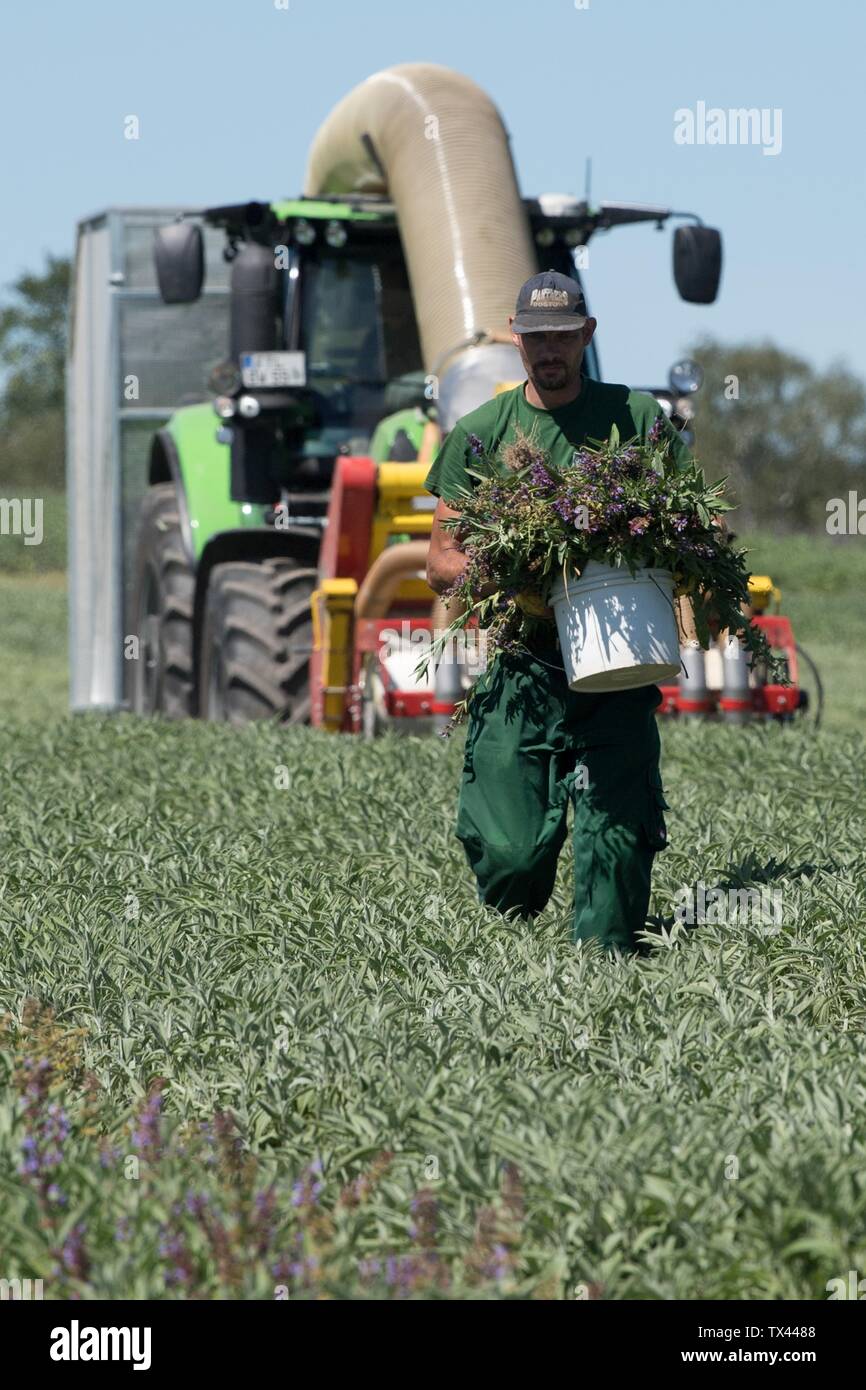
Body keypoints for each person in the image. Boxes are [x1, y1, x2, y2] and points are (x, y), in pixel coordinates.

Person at [424, 269, 691, 953]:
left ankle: (604, 987)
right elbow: (441, 563)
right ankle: (518, 913)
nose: (550, 350)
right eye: (537, 337)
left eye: (563, 336)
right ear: (517, 337)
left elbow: (691, 527)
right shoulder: (483, 433)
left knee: (616, 845)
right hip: (527, 665)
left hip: (619, 662)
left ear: (587, 335)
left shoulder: (634, 418)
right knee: (510, 859)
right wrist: (512, 576)